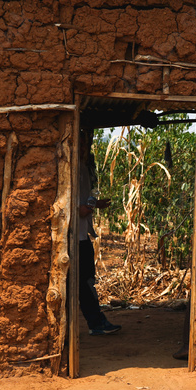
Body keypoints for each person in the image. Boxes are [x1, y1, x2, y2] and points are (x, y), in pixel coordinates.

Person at [77, 129, 121, 336]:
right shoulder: (71, 168)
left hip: (82, 235)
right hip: (73, 237)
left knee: (85, 283)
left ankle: (96, 322)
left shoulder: (82, 168)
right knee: (84, 283)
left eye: (85, 144)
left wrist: (95, 204)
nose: (83, 148)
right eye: (80, 144)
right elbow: (78, 207)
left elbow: (85, 202)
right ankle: (95, 323)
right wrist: (89, 206)